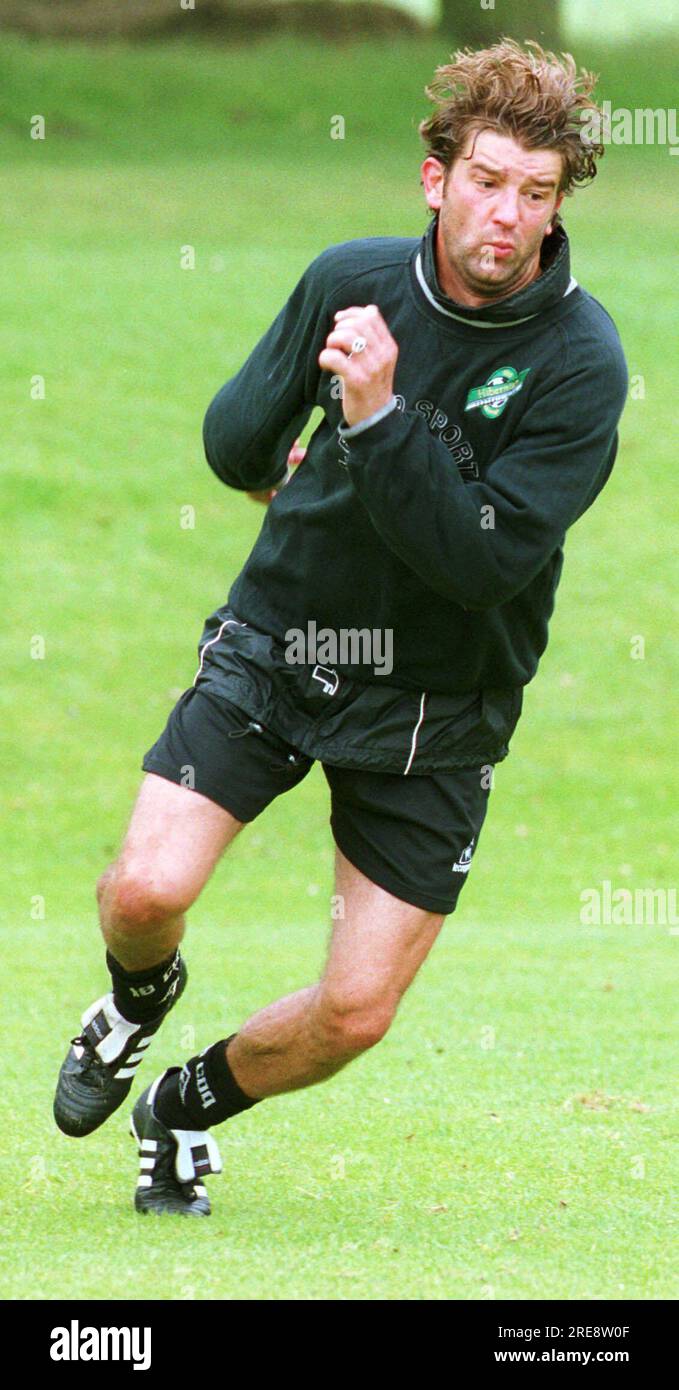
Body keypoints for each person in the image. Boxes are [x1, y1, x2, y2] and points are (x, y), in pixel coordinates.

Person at [54, 39, 628, 1216]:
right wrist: (293, 468)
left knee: (354, 1014)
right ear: (435, 178)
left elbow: (483, 563)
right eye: (485, 181)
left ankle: (183, 1105)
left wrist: (372, 425)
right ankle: (135, 997)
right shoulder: (349, 282)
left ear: (558, 203)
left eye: (535, 192)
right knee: (142, 892)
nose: (506, 217)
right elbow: (234, 441)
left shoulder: (581, 361)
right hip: (284, 645)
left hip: (440, 706)